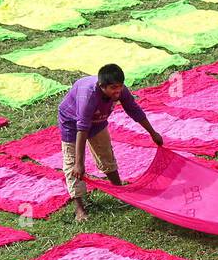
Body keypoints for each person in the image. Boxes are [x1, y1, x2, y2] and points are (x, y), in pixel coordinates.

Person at [57, 63, 162, 222]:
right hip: (72, 123)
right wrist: (79, 163)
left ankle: (120, 191)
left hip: (98, 121)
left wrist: (152, 133)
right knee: (72, 164)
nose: (117, 91)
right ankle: (79, 207)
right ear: (102, 86)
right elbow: (82, 128)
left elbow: (134, 109)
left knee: (106, 153)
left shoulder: (121, 91)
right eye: (113, 88)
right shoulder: (88, 96)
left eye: (120, 86)